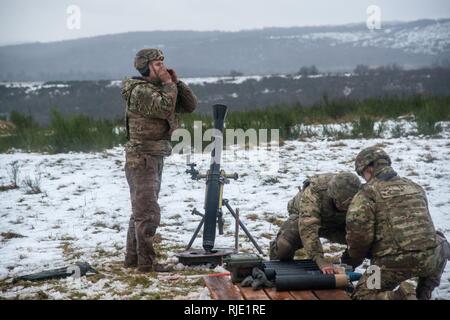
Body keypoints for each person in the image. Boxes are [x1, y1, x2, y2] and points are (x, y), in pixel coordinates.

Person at [121, 48, 197, 272]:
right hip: (142, 156)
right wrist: (168, 85)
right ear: (145, 68)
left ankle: (133, 259)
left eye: (163, 63)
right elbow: (165, 108)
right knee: (148, 213)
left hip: (153, 154)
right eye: (156, 64)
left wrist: (176, 82)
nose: (162, 67)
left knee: (141, 211)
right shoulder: (140, 91)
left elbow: (190, 106)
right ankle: (147, 264)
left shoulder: (162, 88)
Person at [346, 146, 450, 299]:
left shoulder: (367, 193)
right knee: (437, 248)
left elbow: (359, 238)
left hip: (392, 263)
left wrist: (351, 260)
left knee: (363, 295)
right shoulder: (414, 186)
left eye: (362, 174)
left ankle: (401, 296)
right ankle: (423, 294)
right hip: (434, 258)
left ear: (368, 168)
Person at [269, 172, 361, 274]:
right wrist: (320, 260)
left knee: (363, 242)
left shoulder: (361, 197)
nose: (347, 207)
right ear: (333, 196)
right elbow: (308, 227)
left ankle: (345, 272)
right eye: (344, 204)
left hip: (335, 225)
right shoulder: (316, 190)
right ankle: (275, 270)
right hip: (302, 218)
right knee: (284, 245)